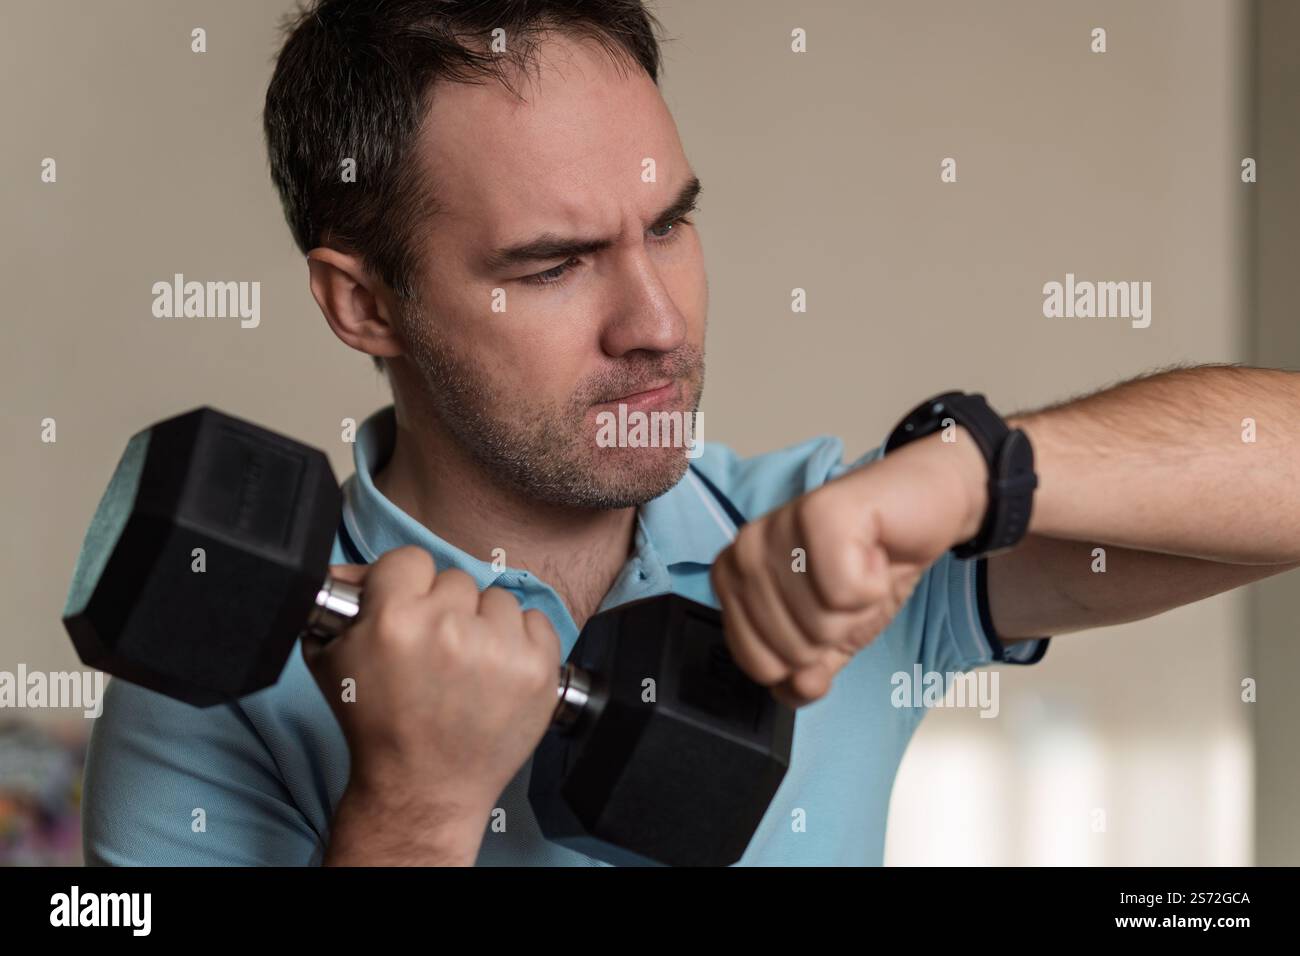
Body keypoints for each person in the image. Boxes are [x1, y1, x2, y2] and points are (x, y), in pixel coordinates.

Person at [83, 0, 1300, 866]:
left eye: (669, 226)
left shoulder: (816, 554)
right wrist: (411, 811)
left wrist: (975, 469)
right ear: (366, 302)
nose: (657, 325)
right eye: (554, 263)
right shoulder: (218, 684)